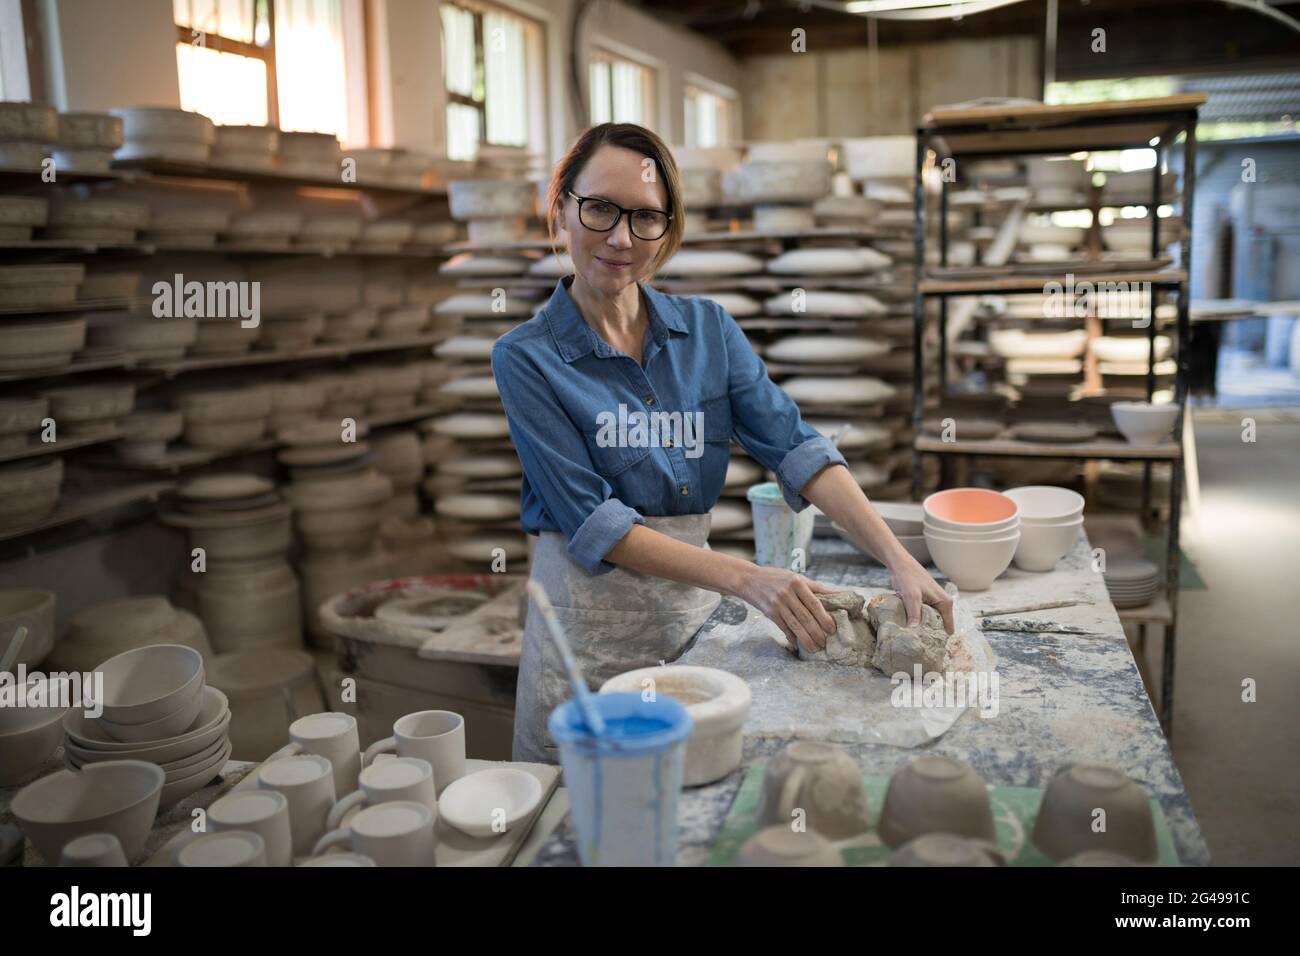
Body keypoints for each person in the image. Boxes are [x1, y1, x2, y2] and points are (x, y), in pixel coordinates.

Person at [491, 123, 953, 763]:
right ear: (561, 208)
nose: (621, 238)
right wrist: (748, 579)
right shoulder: (526, 358)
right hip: (584, 636)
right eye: (599, 208)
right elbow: (592, 522)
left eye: (646, 217)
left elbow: (794, 446)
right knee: (582, 826)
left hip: (690, 620)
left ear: (668, 230)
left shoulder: (707, 330)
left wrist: (897, 557)